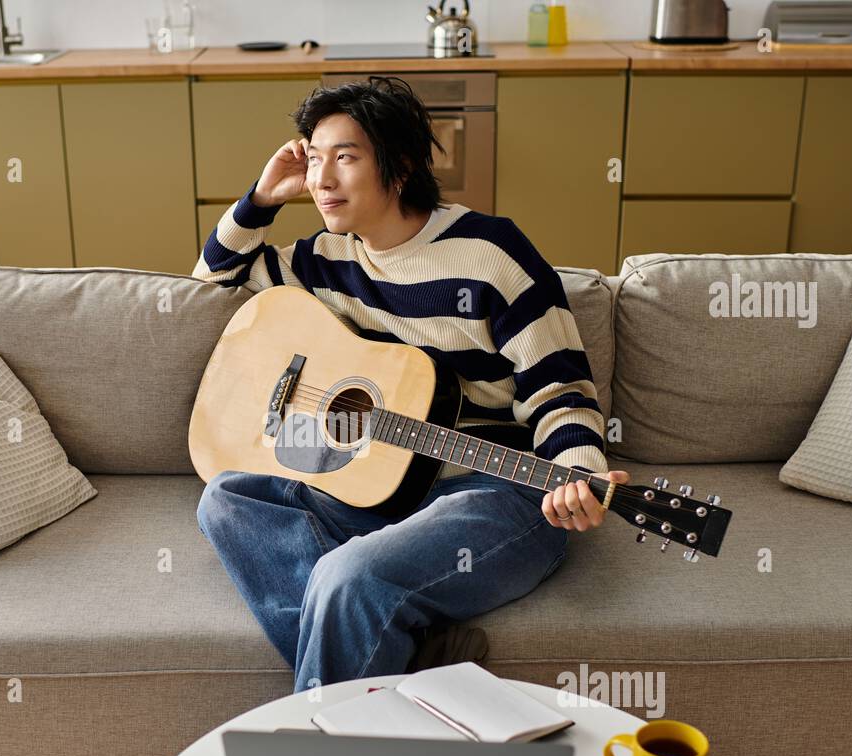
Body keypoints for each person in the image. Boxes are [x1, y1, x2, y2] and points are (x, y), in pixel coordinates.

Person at [192, 77, 629, 695]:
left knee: (346, 577)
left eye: (344, 157)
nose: (321, 179)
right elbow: (211, 283)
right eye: (314, 159)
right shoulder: (325, 257)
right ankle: (401, 658)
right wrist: (261, 197)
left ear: (398, 167)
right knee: (226, 501)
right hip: (381, 492)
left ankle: (330, 755)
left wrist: (578, 472)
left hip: (493, 490)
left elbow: (560, 389)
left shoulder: (491, 252)